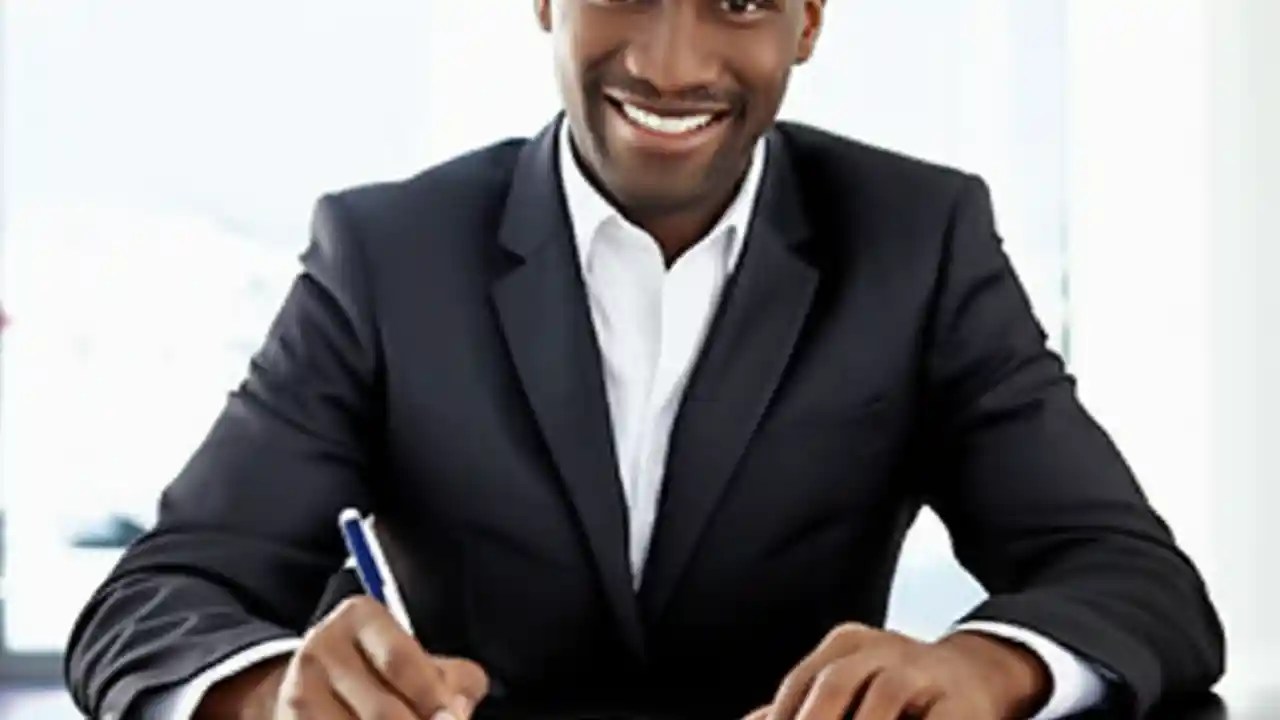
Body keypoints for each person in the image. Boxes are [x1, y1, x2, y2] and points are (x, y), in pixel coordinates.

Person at [65, 1, 1224, 718]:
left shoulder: (917, 240)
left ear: (807, 19)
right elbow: (156, 601)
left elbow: (1137, 586)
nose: (672, 64)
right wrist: (273, 696)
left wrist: (991, 668)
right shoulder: (385, 254)